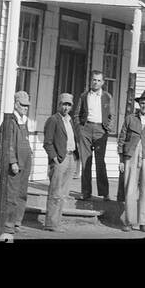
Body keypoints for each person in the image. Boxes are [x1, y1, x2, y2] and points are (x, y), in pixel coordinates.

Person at [117, 90, 145, 233]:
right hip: (130, 156)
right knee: (130, 189)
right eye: (142, 103)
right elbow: (122, 139)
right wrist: (121, 160)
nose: (144, 106)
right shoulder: (131, 119)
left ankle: (143, 222)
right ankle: (129, 221)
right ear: (139, 104)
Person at [43, 92, 83, 231]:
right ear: (59, 105)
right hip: (60, 159)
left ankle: (56, 222)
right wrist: (54, 159)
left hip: (71, 157)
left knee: (63, 194)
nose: (66, 108)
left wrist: (77, 158)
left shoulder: (70, 120)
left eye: (68, 105)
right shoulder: (53, 120)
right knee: (55, 193)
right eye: (63, 104)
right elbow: (47, 143)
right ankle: (51, 224)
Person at [0, 90, 33, 238]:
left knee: (22, 194)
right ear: (16, 104)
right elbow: (8, 144)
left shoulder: (24, 120)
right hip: (15, 164)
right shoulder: (9, 121)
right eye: (23, 105)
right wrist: (12, 162)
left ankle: (17, 222)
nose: (25, 108)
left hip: (25, 162)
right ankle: (8, 225)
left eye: (27, 105)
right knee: (11, 196)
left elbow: (24, 141)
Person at [75, 70, 113, 201]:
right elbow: (77, 114)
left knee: (100, 161)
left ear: (102, 82)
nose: (95, 82)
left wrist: (107, 128)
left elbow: (111, 115)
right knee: (86, 161)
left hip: (100, 130)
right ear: (90, 81)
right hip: (86, 128)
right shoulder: (84, 96)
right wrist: (79, 128)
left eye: (98, 80)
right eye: (93, 80)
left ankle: (104, 192)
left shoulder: (107, 97)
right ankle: (86, 192)